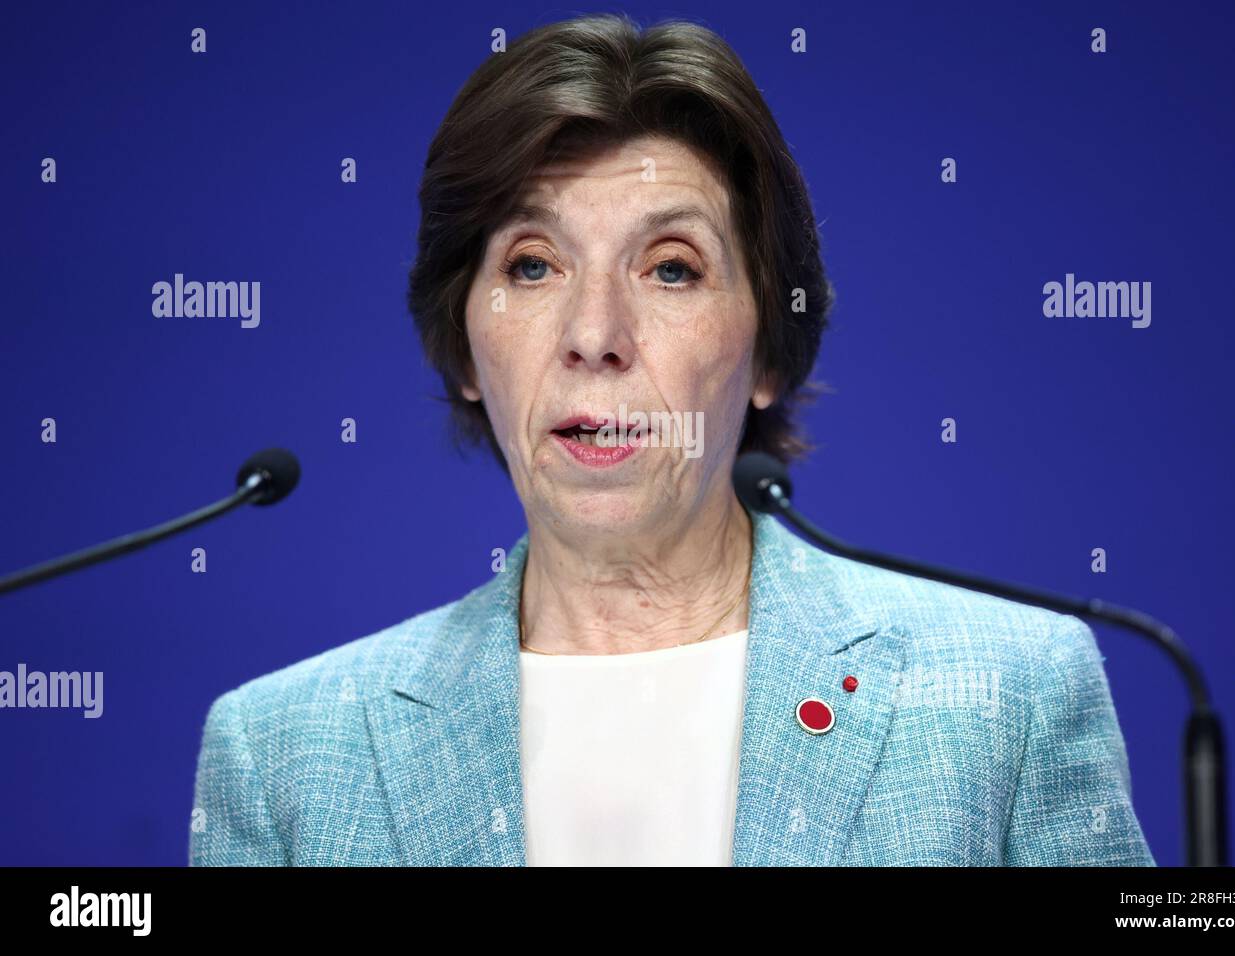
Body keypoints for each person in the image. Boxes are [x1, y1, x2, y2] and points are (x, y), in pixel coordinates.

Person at [189, 13, 1155, 866]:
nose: (595, 335)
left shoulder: (1010, 701)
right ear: (466, 353)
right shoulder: (282, 755)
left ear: (770, 345)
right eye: (532, 265)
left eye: (672, 269)